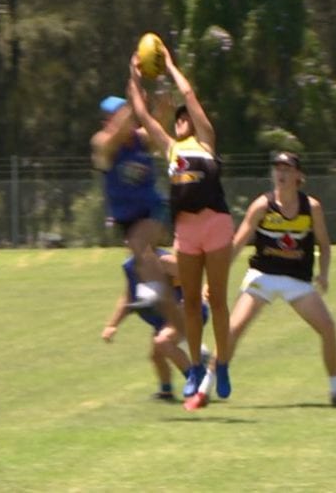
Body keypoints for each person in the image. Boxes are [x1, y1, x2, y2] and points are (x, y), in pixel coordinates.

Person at [184, 152, 336, 410]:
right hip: (263, 276)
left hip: (297, 279)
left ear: (299, 176)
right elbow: (237, 244)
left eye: (287, 169)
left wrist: (324, 273)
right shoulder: (262, 206)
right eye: (277, 168)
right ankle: (203, 392)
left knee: (328, 328)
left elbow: (324, 242)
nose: (281, 173)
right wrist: (214, 280)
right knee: (231, 331)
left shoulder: (311, 207)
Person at [127, 44, 234, 401]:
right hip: (186, 230)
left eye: (186, 116)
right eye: (179, 118)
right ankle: (197, 367)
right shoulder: (172, 148)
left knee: (217, 301)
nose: (182, 119)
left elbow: (187, 93)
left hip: (215, 224)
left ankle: (223, 366)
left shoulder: (206, 142)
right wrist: (135, 75)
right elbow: (142, 114)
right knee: (190, 302)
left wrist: (170, 65)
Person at [90, 94, 184, 336]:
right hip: (127, 220)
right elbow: (114, 137)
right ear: (107, 122)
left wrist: (161, 110)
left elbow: (155, 131)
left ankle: (150, 290)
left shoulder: (140, 140)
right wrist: (135, 104)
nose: (126, 120)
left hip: (155, 210)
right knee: (157, 281)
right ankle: (183, 335)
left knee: (139, 244)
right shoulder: (103, 143)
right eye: (118, 115)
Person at [102, 248, 209, 400]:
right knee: (156, 356)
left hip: (188, 312)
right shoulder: (131, 266)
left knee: (163, 342)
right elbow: (128, 297)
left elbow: (192, 274)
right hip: (166, 319)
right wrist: (112, 325)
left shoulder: (165, 261)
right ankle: (166, 391)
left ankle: (199, 384)